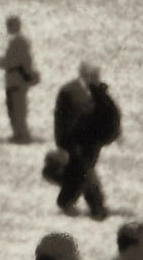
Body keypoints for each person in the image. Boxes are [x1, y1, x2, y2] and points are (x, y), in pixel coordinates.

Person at [47, 61, 121, 219]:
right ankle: (96, 207)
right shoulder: (68, 91)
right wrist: (62, 141)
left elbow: (108, 113)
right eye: (94, 75)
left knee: (82, 172)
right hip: (73, 142)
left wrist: (113, 134)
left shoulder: (99, 91)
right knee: (85, 172)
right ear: (85, 74)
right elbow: (60, 118)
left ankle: (68, 201)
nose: (97, 78)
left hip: (91, 142)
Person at [0, 17, 42, 145]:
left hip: (16, 80)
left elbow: (19, 61)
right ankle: (19, 134)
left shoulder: (18, 42)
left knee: (16, 108)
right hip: (17, 80)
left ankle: (21, 135)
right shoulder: (19, 41)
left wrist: (3, 62)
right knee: (16, 107)